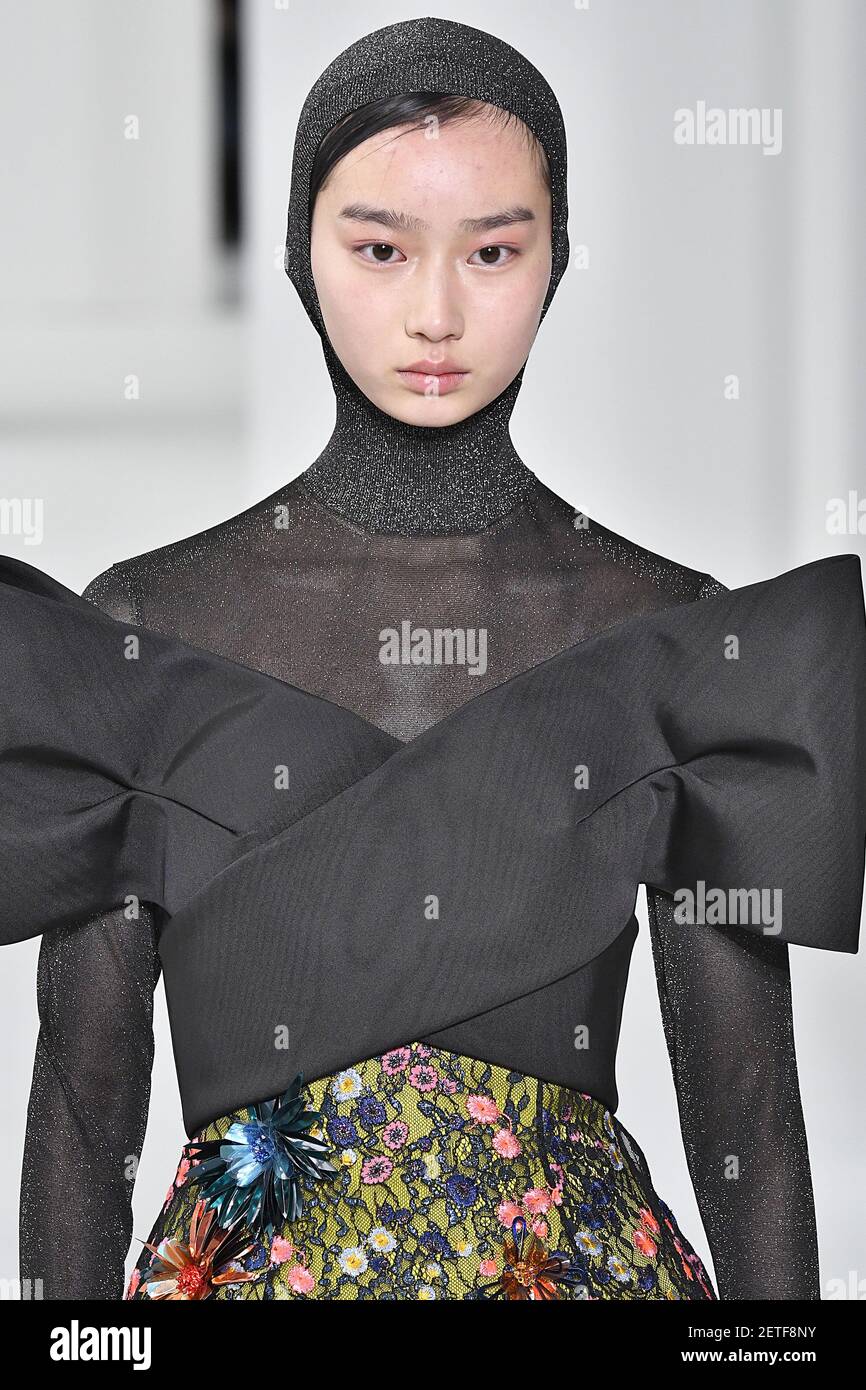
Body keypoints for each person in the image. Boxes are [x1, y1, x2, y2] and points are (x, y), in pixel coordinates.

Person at [6, 17, 864, 1302]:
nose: (436, 310)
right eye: (378, 247)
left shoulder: (677, 640)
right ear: (303, 250)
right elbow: (83, 1115)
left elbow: (745, 1119)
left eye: (494, 249)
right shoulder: (142, 629)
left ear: (557, 259)